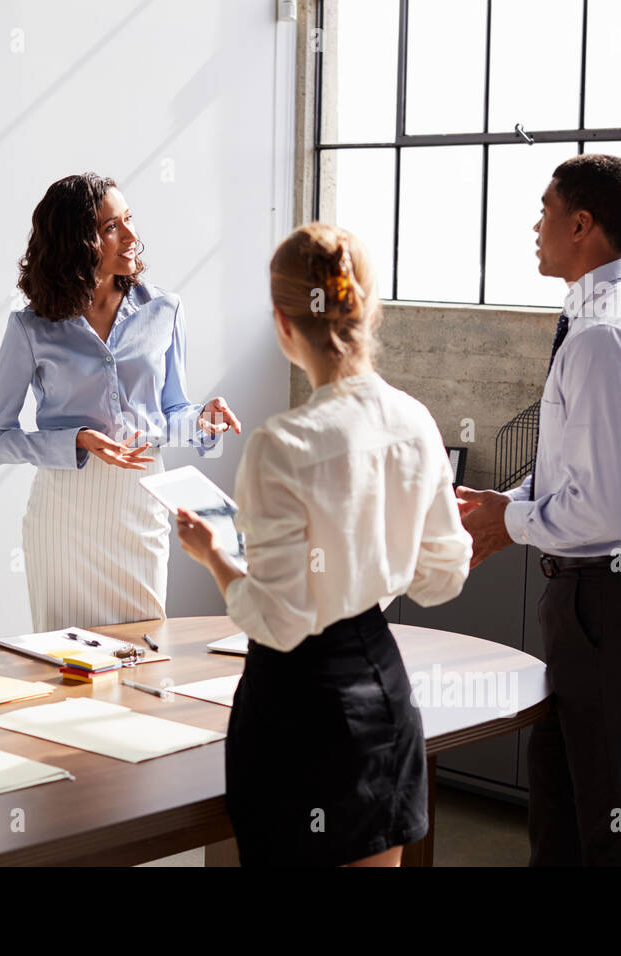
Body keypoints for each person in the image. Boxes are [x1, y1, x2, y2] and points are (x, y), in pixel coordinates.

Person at [176, 223, 471, 867]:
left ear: (282, 324)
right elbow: (441, 578)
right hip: (382, 691)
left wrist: (214, 557)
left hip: (297, 707)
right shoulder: (414, 420)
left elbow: (276, 621)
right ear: (369, 308)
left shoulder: (283, 446)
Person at [457, 154, 621, 866]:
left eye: (545, 210)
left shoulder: (606, 337)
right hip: (601, 593)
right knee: (562, 799)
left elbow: (608, 509)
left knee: (612, 814)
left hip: (610, 593)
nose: (535, 226)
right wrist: (514, 504)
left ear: (582, 224)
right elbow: (577, 465)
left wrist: (512, 522)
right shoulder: (609, 318)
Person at [0, 172, 241, 632]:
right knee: (63, 661)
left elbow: (171, 413)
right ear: (76, 241)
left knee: (142, 650)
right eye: (110, 227)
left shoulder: (165, 310)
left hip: (139, 506)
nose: (132, 236)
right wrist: (76, 440)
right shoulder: (30, 328)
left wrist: (203, 420)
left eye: (129, 219)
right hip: (63, 515)